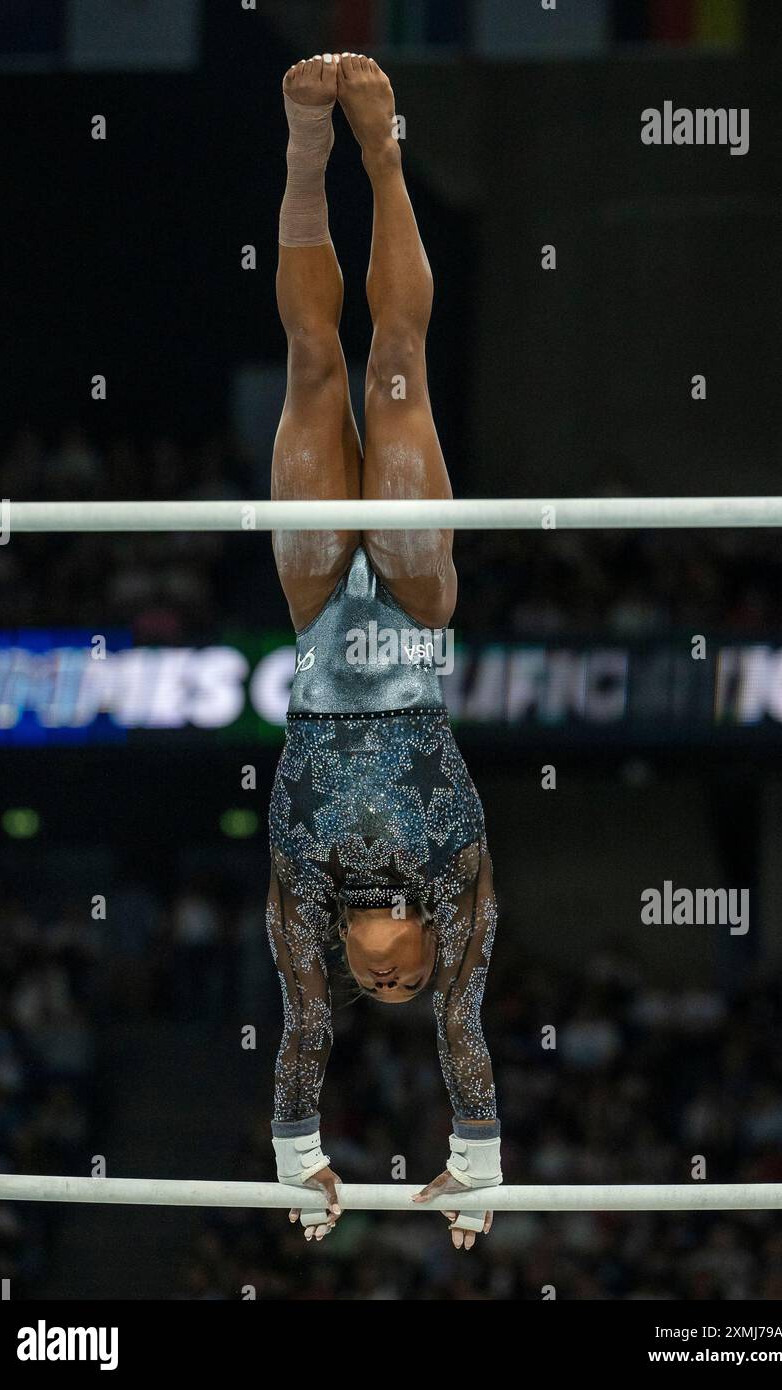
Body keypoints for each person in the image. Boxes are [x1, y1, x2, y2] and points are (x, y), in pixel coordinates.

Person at [267, 54, 500, 1251]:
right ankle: (383, 152)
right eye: (414, 977)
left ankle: (309, 153)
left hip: (313, 625)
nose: (403, 978)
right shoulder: (456, 885)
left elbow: (302, 1039)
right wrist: (476, 1161)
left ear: (357, 966)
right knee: (391, 366)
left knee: (315, 368)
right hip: (410, 616)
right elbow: (467, 1030)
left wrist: (299, 1157)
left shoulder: (302, 903)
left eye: (385, 985)